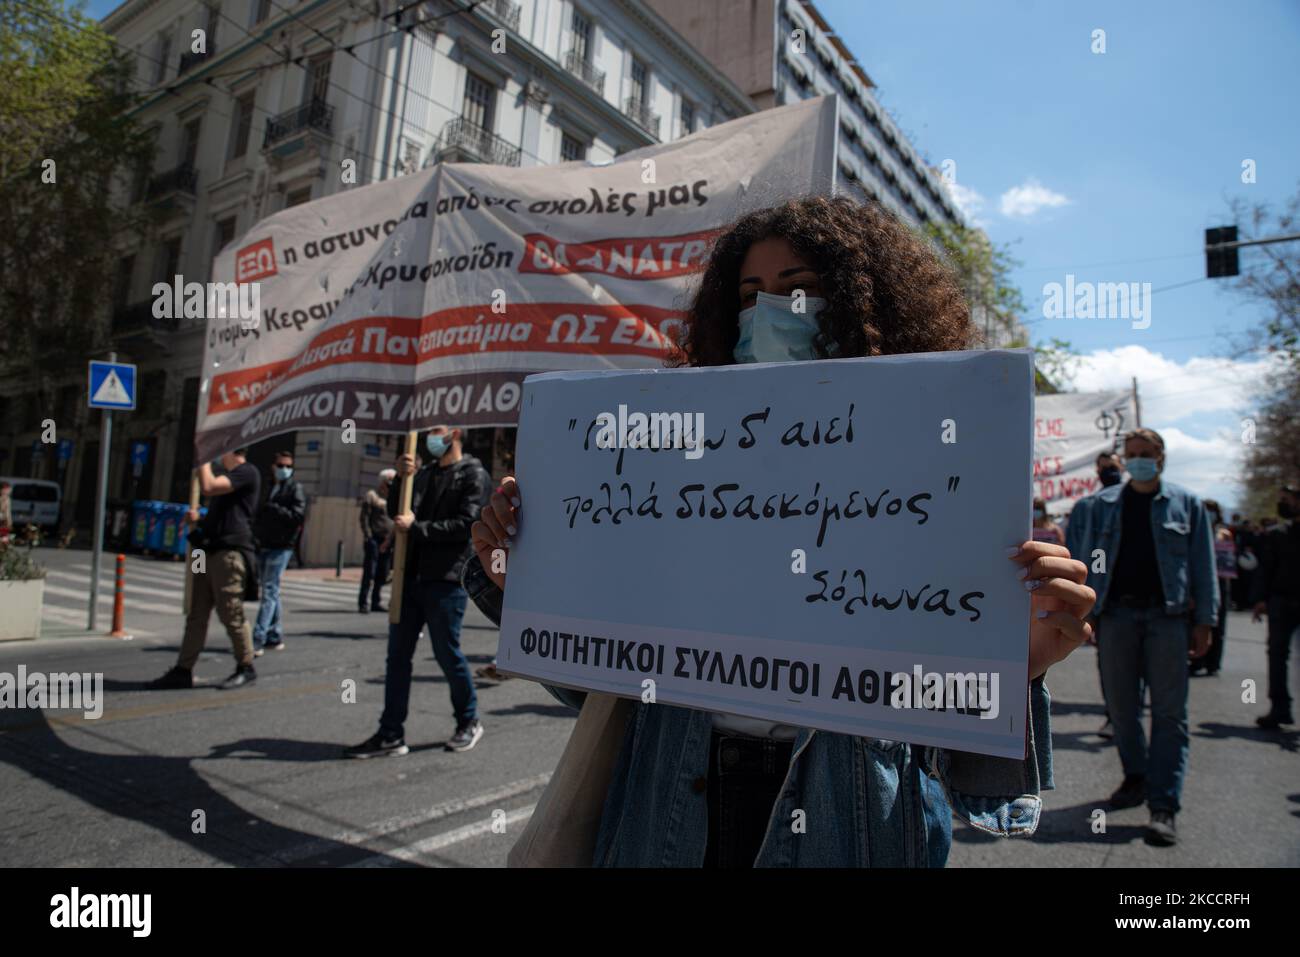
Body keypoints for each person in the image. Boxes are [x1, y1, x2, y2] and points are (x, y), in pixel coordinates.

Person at [464, 195, 1095, 868]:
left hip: (848, 825)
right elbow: (606, 684)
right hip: (669, 810)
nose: (769, 313)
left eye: (799, 291)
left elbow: (965, 773)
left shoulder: (937, 471)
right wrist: (527, 576)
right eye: (750, 295)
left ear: (862, 306)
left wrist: (1014, 665)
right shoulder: (670, 459)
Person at [1070, 428, 1216, 847]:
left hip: (1167, 620)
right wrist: (1084, 614)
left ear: (1162, 457)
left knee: (1170, 714)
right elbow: (1084, 561)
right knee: (1121, 707)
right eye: (1131, 454)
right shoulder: (1099, 507)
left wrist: (1205, 621)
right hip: (1115, 618)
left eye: (1146, 453)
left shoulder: (1187, 505)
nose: (1138, 460)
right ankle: (1135, 776)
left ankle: (1164, 804)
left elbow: (1203, 566)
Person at [346, 425, 490, 757]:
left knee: (446, 654)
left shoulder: (473, 474)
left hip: (445, 579)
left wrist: (418, 529)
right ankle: (391, 733)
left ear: (454, 433)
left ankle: (468, 720)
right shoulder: (422, 474)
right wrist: (400, 479)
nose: (430, 437)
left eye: (437, 431)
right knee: (397, 658)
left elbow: (467, 526)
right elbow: (398, 512)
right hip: (410, 579)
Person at [148, 448, 261, 690]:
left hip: (228, 555)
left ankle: (246, 666)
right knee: (197, 612)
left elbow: (208, 486)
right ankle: (183, 669)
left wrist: (203, 458)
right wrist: (196, 520)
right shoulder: (227, 478)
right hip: (205, 552)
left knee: (230, 612)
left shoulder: (246, 472)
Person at [1066, 449, 1125, 740]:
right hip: (1108, 602)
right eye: (1103, 467)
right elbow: (1079, 558)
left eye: (1112, 466)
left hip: (1150, 603)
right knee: (1113, 667)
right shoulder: (1086, 508)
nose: (1108, 471)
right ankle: (1116, 717)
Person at [1250, 484, 1300, 729]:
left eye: (1288, 500)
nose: (1285, 504)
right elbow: (1266, 569)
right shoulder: (1278, 534)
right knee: (1278, 655)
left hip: (1285, 600)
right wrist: (1260, 600)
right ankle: (1280, 707)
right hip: (1282, 600)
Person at [251, 451, 307, 654]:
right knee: (272, 591)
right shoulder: (270, 487)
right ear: (273, 466)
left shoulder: (295, 488)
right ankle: (275, 635)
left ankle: (258, 638)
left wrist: (276, 509)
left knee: (268, 591)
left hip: (282, 546)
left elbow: (298, 516)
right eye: (281, 465)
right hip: (265, 543)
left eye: (288, 466)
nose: (284, 469)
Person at [1190, 499, 1233, 676]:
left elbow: (1227, 561)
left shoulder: (1222, 533)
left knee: (1217, 624)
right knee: (1197, 621)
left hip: (1220, 581)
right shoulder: (1194, 530)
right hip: (1198, 581)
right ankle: (1197, 659)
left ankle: (1213, 662)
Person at [359, 468, 396, 613]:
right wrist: (368, 537)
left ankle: (376, 601)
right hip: (374, 539)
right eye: (389, 481)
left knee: (383, 573)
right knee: (369, 572)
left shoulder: (394, 499)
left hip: (387, 541)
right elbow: (364, 518)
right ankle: (363, 603)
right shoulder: (372, 496)